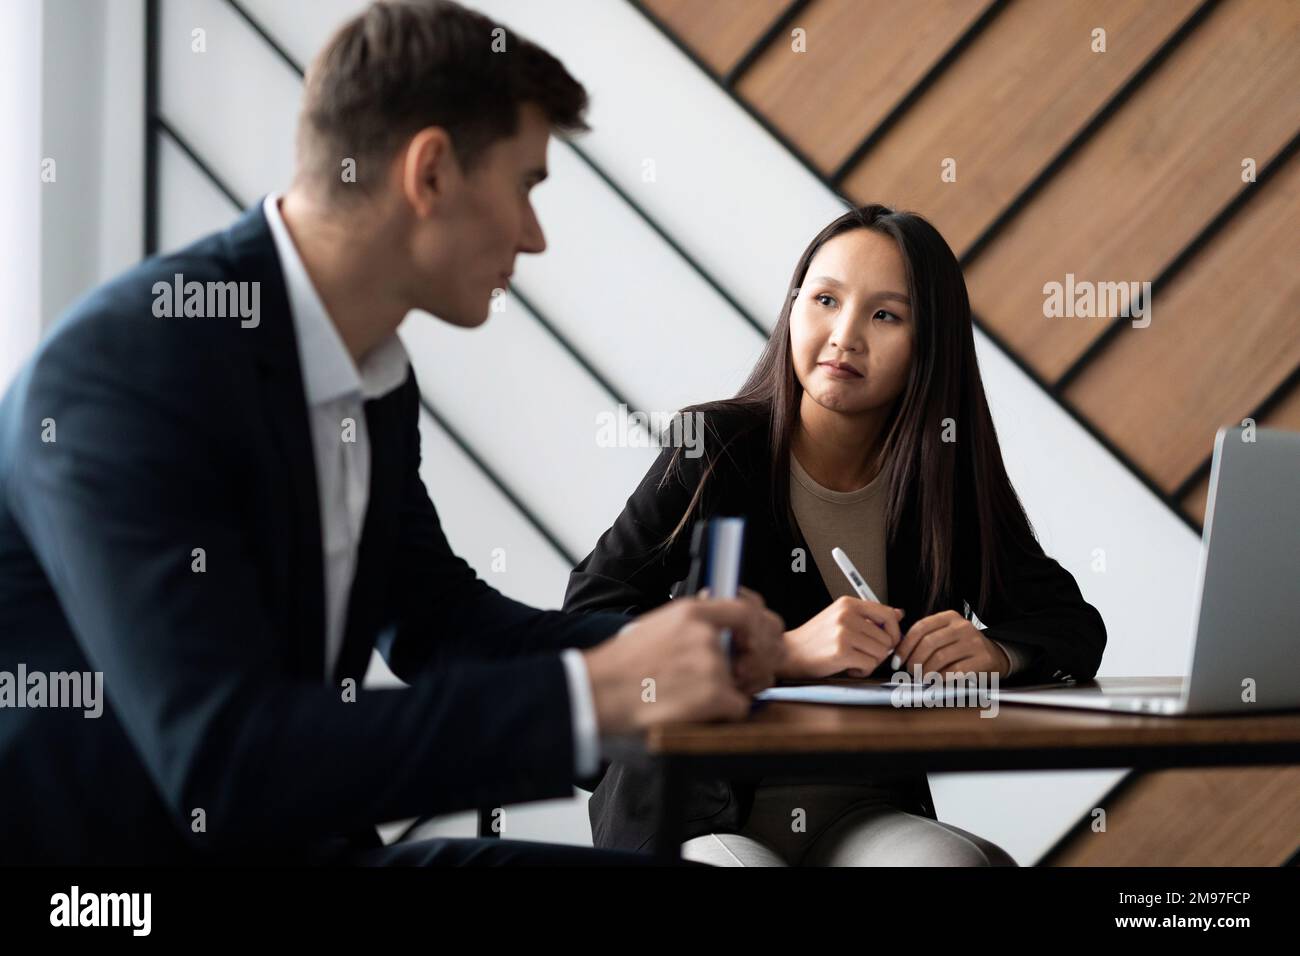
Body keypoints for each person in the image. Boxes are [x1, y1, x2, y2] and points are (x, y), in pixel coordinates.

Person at [0, 0, 783, 865]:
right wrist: (591, 698)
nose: (536, 235)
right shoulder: (126, 372)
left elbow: (438, 625)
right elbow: (223, 763)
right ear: (433, 172)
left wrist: (662, 652)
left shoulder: (373, 374)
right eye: (526, 185)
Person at [564, 204, 1108, 865]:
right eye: (825, 299)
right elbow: (590, 616)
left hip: (862, 810)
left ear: (928, 343)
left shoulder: (941, 479)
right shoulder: (712, 449)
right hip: (694, 811)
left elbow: (1070, 624)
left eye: (886, 315)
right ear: (794, 309)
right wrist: (780, 655)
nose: (844, 335)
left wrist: (997, 653)